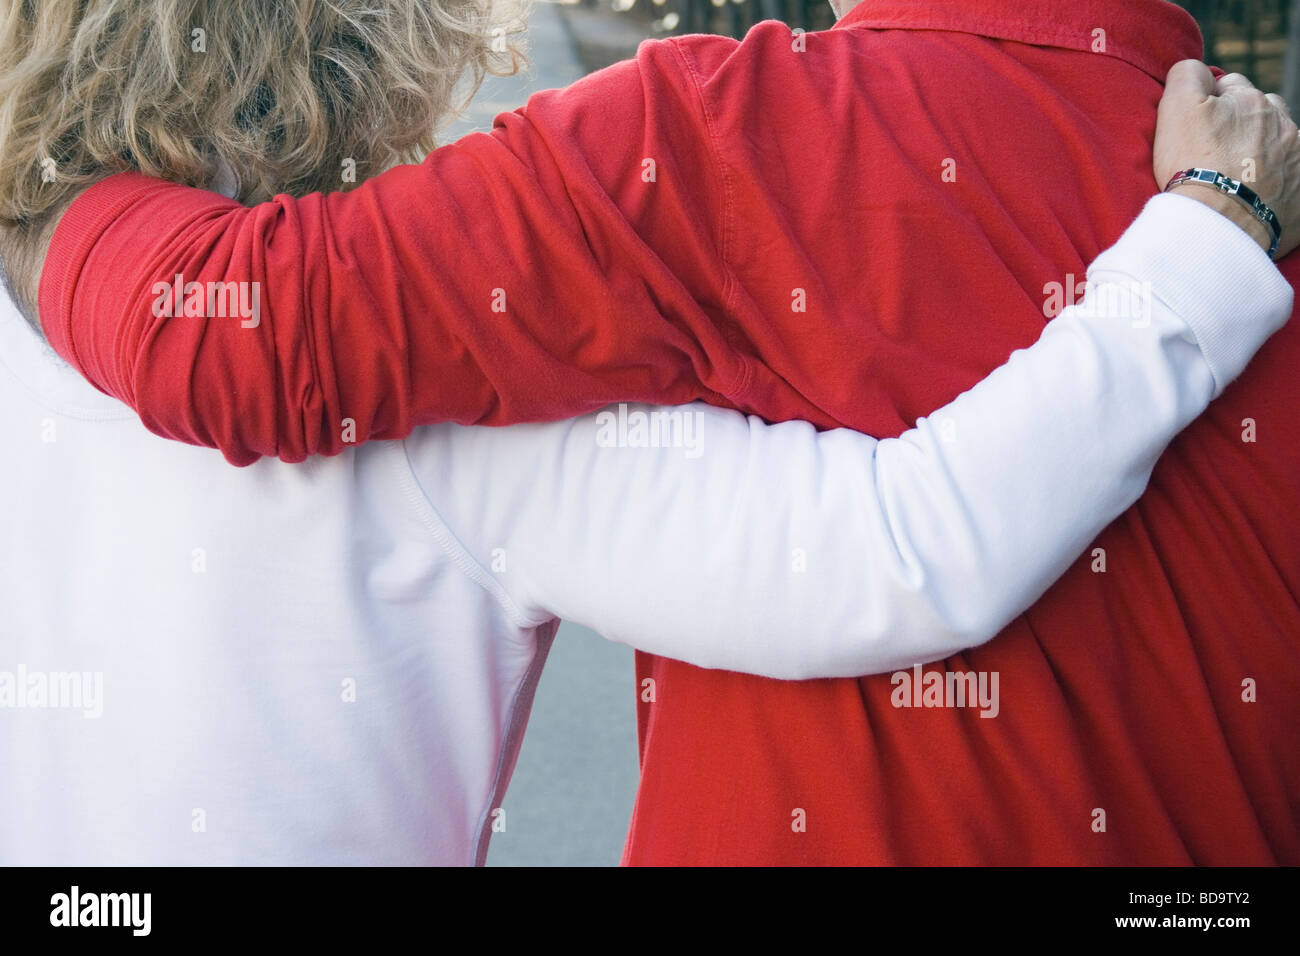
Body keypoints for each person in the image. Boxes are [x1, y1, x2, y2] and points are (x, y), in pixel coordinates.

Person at [3, 0, 1298, 864]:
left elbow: (230, 334)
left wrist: (37, 205)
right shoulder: (466, 427)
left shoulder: (708, 141)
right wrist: (1209, 237)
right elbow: (898, 552)